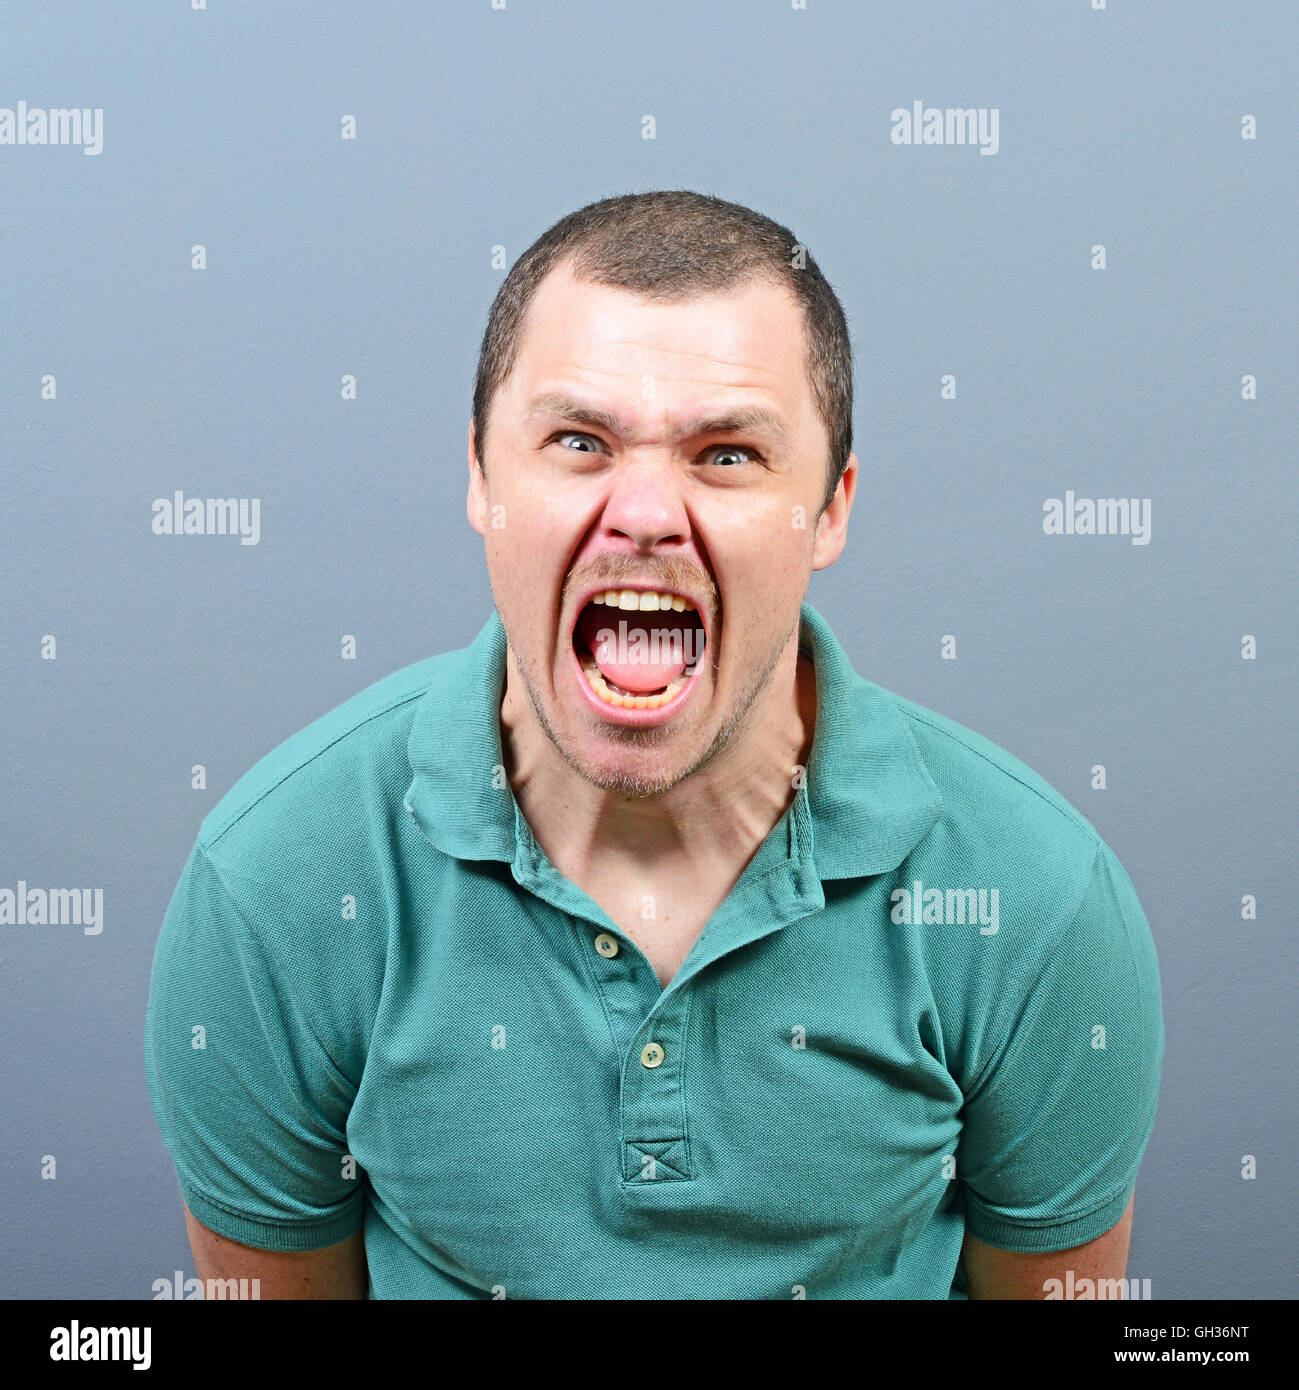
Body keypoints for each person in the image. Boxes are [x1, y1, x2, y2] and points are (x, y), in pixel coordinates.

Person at [145, 190, 1163, 1299]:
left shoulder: (1039, 897)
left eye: (726, 456)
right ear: (482, 477)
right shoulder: (274, 884)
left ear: (829, 508)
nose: (643, 513)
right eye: (579, 441)